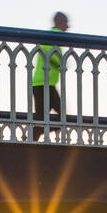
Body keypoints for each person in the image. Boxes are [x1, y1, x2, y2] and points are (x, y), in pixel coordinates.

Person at [30, 11, 68, 140]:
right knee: (62, 118)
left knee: (41, 117)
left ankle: (32, 138)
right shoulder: (53, 36)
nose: (67, 27)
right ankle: (33, 138)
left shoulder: (52, 37)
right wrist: (62, 63)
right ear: (59, 23)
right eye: (66, 23)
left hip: (43, 84)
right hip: (44, 85)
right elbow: (49, 53)